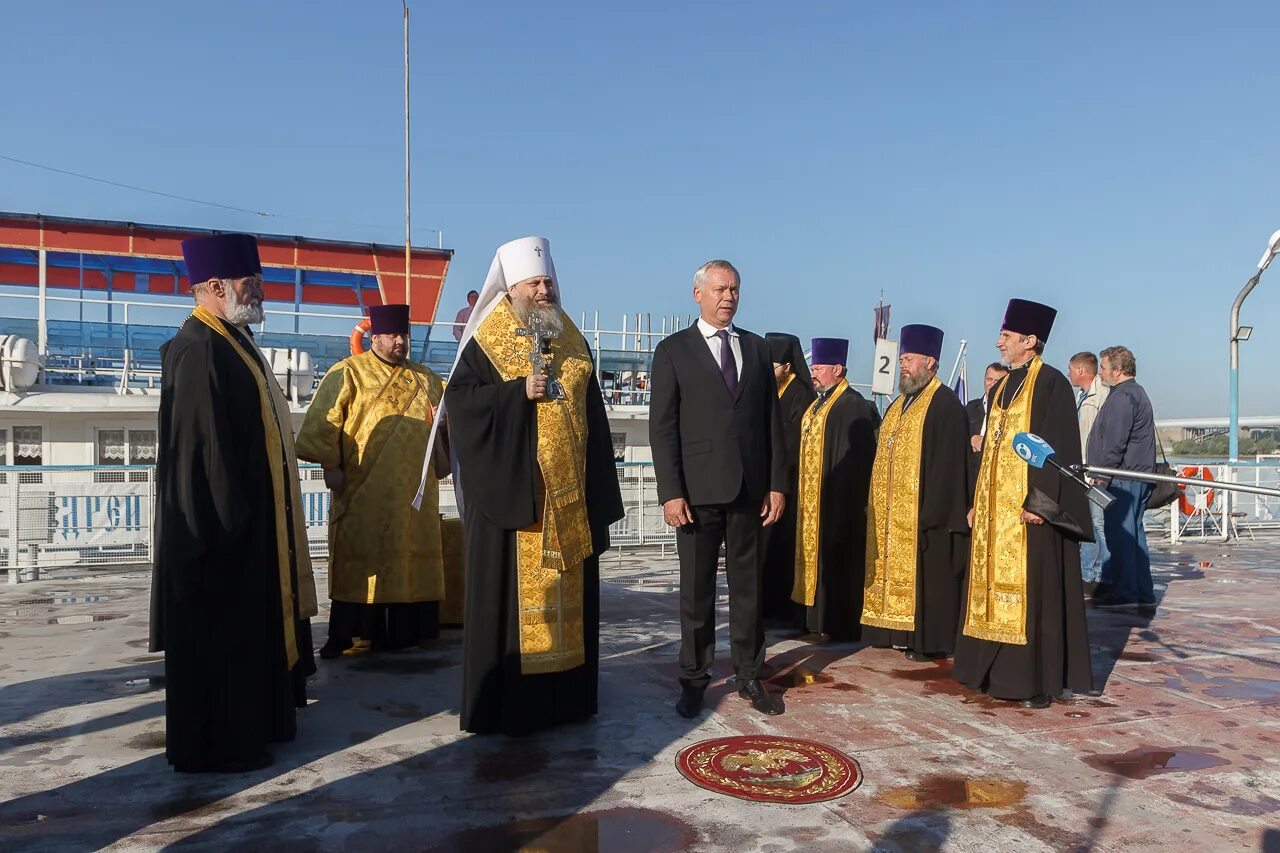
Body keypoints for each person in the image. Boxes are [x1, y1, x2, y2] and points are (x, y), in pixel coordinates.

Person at [150, 233, 317, 772]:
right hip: (220, 532)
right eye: (251, 283)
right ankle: (225, 745)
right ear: (216, 286)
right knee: (221, 639)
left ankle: (260, 723)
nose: (261, 291)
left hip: (249, 524)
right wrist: (236, 525)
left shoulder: (233, 339)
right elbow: (204, 456)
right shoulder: (199, 349)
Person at [443, 236, 623, 736]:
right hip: (517, 497)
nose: (545, 290)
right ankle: (514, 708)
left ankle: (565, 700)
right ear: (513, 287)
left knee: (572, 605)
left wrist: (598, 492)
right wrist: (516, 393)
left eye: (549, 282)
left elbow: (593, 410)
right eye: (535, 283)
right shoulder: (488, 337)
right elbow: (461, 402)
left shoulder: (569, 334)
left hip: (568, 500)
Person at [650, 259, 788, 718]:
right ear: (698, 295)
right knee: (697, 592)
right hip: (696, 494)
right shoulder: (673, 351)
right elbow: (662, 428)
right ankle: (694, 678)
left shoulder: (757, 347)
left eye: (734, 290)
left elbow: (771, 422)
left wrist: (776, 484)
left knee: (749, 590)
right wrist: (671, 491)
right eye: (720, 289)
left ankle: (750, 675)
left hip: (750, 492)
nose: (728, 297)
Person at [953, 299, 1093, 709]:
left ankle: (1030, 681)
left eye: (1007, 336)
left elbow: (1058, 449)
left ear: (1030, 341)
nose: (999, 342)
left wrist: (1041, 502)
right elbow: (991, 451)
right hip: (994, 513)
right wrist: (978, 500)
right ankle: (987, 671)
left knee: (1031, 597)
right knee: (987, 592)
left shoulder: (1051, 384)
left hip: (1027, 514)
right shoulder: (1001, 386)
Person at [295, 303, 448, 659]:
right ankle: (351, 634)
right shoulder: (348, 372)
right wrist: (331, 465)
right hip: (364, 489)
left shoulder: (426, 379)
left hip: (415, 495)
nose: (400, 341)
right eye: (393, 335)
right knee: (359, 562)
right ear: (374, 336)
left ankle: (409, 633)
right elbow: (323, 424)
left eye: (404, 335)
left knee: (409, 562)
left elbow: (446, 427)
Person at [862, 325, 970, 660]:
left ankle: (930, 641)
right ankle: (897, 633)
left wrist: (929, 512)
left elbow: (950, 467)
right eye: (902, 359)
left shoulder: (945, 404)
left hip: (929, 514)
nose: (903, 365)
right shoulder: (899, 405)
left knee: (931, 581)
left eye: (909, 359)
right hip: (896, 514)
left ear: (931, 362)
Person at [790, 337, 878, 642]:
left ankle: (838, 623)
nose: (813, 373)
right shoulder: (817, 404)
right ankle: (813, 619)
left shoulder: (852, 405)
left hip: (839, 504)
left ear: (837, 369)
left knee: (839, 562)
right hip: (812, 504)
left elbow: (855, 463)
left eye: (819, 367)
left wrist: (842, 503)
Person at [1088, 346, 1157, 611]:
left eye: (1104, 368)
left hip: (1124, 477)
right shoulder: (1135, 393)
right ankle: (1141, 590)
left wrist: (1102, 474)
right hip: (1134, 475)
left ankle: (1125, 591)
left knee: (1122, 534)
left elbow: (1115, 441)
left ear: (1117, 371)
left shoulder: (1123, 397)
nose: (1101, 373)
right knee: (1134, 533)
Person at [760, 332, 817, 623]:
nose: (769, 370)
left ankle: (783, 610)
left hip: (790, 482)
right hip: (768, 478)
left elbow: (794, 442)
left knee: (784, 549)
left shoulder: (801, 394)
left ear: (788, 367)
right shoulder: (773, 390)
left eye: (773, 365)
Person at [1068, 351, 1110, 592]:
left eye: (1071, 369)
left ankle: (1103, 574)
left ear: (1081, 371)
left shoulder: (1100, 396)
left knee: (1099, 522)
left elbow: (1100, 436)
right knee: (1089, 523)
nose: (1069, 374)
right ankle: (1088, 573)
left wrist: (1098, 468)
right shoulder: (1082, 396)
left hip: (1094, 470)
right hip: (1083, 470)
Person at [965, 363, 1008, 487]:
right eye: (989, 379)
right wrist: (973, 439)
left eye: (997, 381)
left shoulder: (1009, 412)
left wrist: (983, 443)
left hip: (994, 476)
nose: (992, 384)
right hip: (970, 475)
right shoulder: (970, 408)